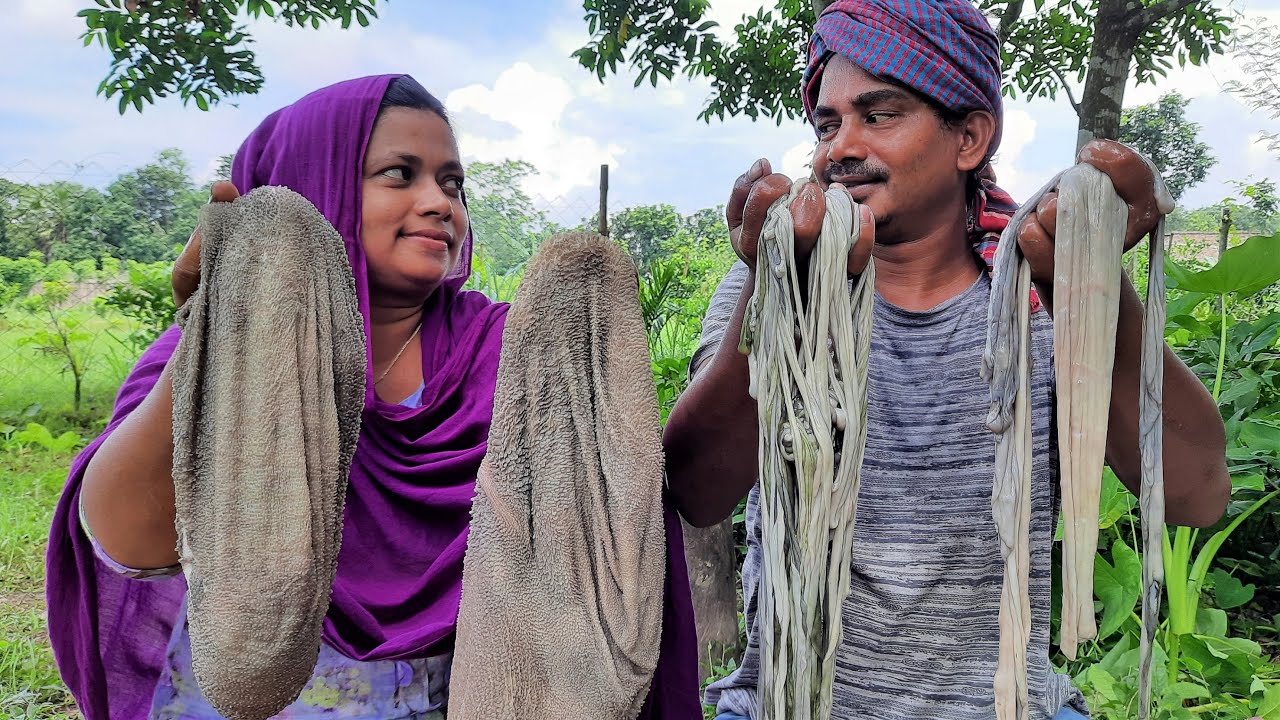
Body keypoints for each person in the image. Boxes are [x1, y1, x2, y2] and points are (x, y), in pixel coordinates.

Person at [46, 74, 701, 720]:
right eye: (398, 174)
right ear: (312, 182)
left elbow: (612, 520)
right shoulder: (209, 347)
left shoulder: (516, 352)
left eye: (452, 183)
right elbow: (127, 544)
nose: (440, 203)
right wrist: (212, 344)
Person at [660, 1, 1231, 718]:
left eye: (879, 115)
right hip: (789, 701)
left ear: (969, 137)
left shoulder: (1036, 300)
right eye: (828, 124)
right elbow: (696, 491)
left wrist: (1096, 296)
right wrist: (780, 302)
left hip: (1006, 705)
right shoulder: (773, 284)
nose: (839, 148)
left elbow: (1197, 496)